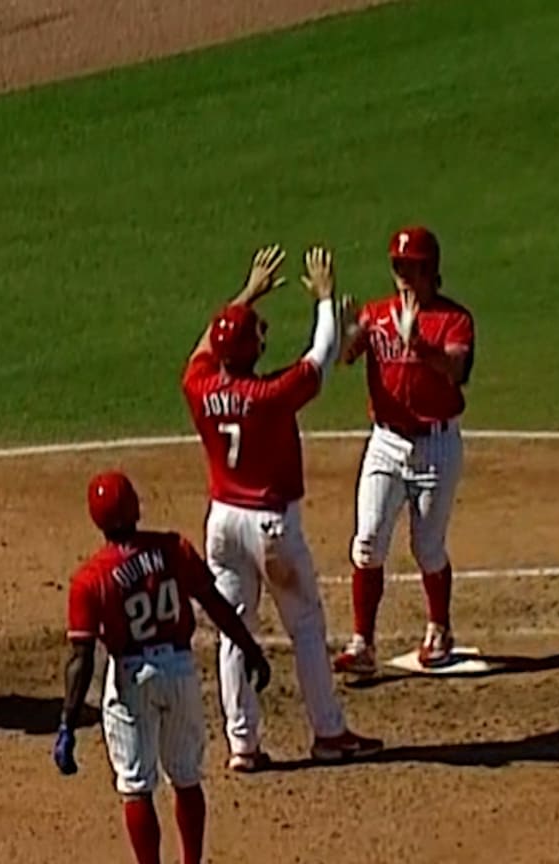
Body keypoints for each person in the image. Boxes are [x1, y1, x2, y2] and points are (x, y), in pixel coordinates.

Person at [180, 245, 383, 772]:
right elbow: (322, 354)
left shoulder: (198, 386)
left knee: (234, 629)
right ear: (253, 348)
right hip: (271, 527)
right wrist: (325, 299)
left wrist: (245, 293)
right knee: (307, 625)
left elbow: (207, 342)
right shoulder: (270, 394)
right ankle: (329, 733)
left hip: (222, 522)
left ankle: (242, 745)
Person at [53, 471, 271, 864]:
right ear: (136, 505)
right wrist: (250, 648)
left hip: (132, 679)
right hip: (180, 671)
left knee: (136, 785)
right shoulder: (174, 549)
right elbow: (217, 604)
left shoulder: (90, 579)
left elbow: (81, 659)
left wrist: (68, 723)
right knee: (186, 778)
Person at [333, 225, 475, 675]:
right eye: (397, 266)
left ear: (430, 269)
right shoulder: (378, 313)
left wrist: (418, 343)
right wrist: (345, 333)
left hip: (436, 446)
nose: (402, 275)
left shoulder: (455, 319)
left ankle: (439, 628)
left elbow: (455, 369)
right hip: (386, 442)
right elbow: (346, 357)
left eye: (410, 266)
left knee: (427, 547)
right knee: (368, 540)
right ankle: (362, 643)